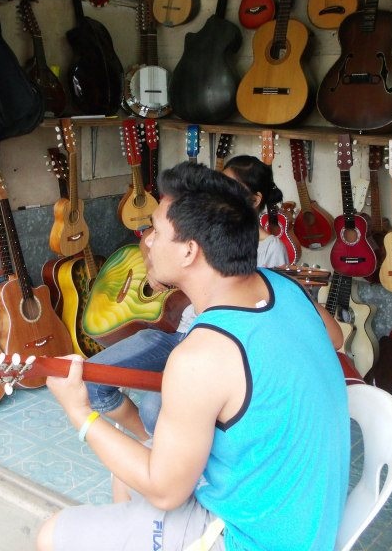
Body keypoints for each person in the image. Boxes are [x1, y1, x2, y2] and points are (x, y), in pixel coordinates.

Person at [37, 162, 350, 551]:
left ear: (189, 251)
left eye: (155, 230)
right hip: (304, 519)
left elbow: (165, 492)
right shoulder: (285, 287)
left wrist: (80, 414)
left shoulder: (202, 355)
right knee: (132, 467)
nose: (147, 241)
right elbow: (334, 337)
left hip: (254, 539)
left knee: (53, 534)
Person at [84, 155, 302, 441]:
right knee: (94, 377)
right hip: (177, 330)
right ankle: (154, 445)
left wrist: (80, 419)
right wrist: (153, 269)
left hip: (206, 339)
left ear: (255, 198)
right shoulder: (197, 237)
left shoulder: (266, 257)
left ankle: (163, 451)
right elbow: (147, 241)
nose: (151, 240)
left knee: (155, 411)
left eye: (227, 186)